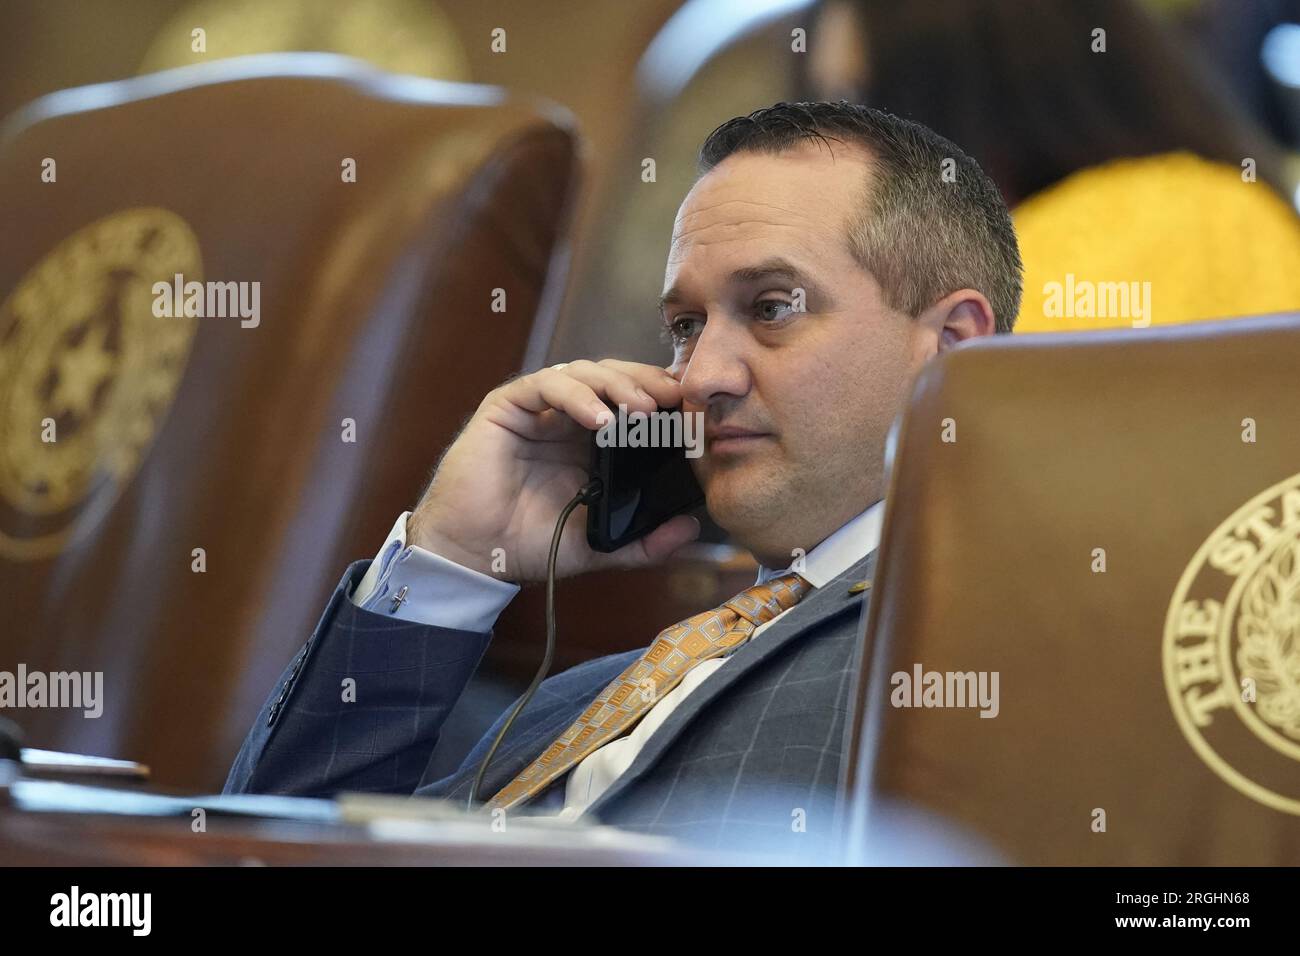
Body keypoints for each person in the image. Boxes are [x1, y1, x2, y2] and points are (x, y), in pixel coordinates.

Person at [224, 101, 1023, 858]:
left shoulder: (986, 651)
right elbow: (263, 854)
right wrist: (455, 563)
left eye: (772, 307)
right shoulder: (587, 691)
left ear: (951, 345)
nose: (701, 374)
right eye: (685, 326)